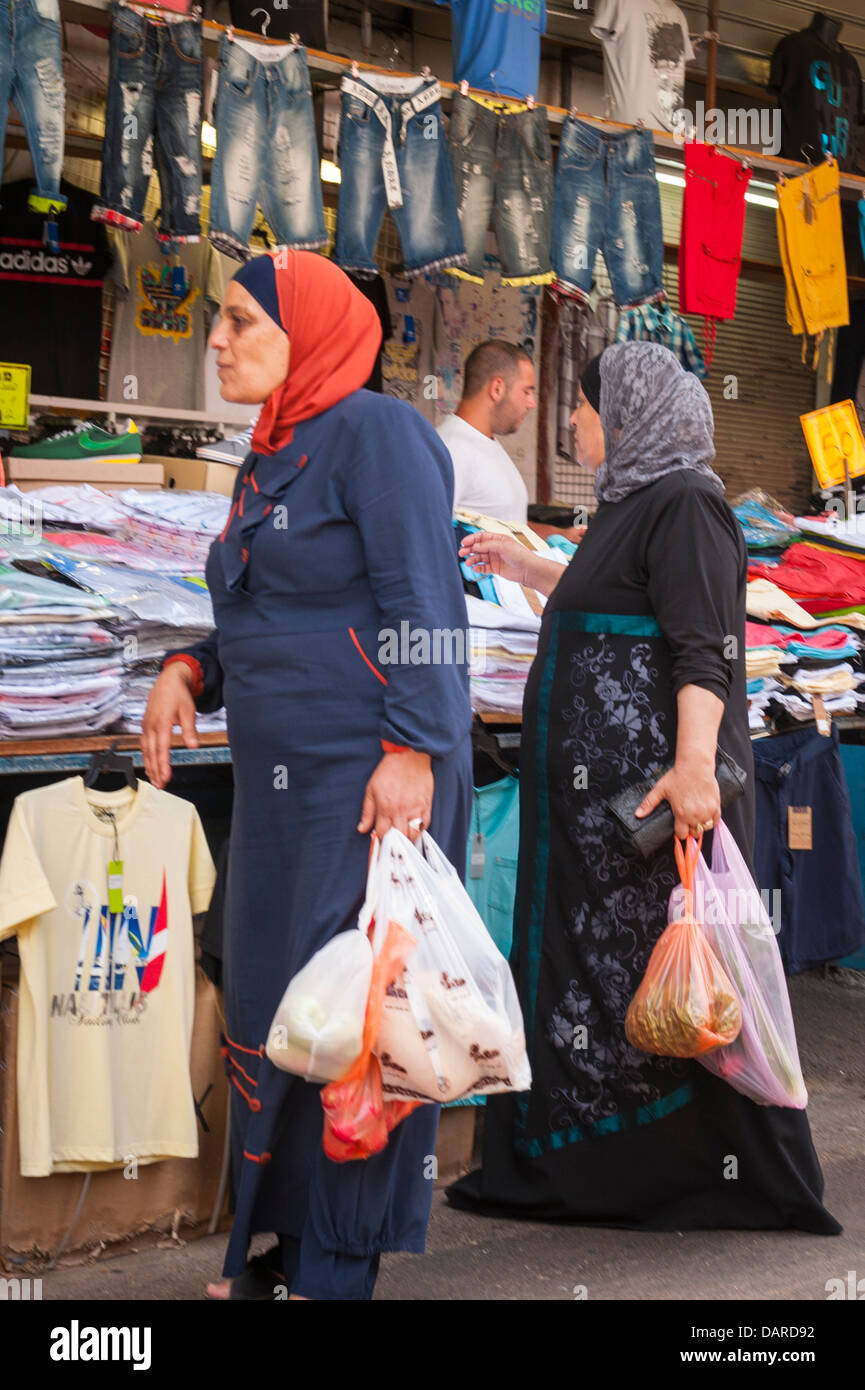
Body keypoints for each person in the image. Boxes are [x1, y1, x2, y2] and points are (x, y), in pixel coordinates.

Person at [448, 341, 841, 1235]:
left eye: (583, 409)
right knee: (600, 988)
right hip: (594, 825)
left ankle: (697, 1179)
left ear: (624, 415)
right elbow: (613, 602)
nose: (574, 424)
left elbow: (705, 645)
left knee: (666, 993)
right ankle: (580, 1173)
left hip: (650, 812)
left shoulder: (690, 504)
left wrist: (695, 767)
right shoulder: (630, 502)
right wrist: (528, 569)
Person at [141, 250, 473, 1299]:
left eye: (240, 320)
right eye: (218, 320)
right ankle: (276, 1251)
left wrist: (413, 750)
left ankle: (332, 1269)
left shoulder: (377, 436)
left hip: (369, 784)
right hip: (288, 793)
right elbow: (267, 608)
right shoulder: (271, 450)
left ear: (311, 332)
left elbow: (425, 602)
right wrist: (190, 665)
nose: (218, 339)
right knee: (285, 1012)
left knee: (356, 1025)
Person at [437, 340, 535, 522]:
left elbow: (506, 524)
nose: (532, 403)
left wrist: (555, 532)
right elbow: (434, 532)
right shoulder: (452, 449)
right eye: (527, 392)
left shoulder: (485, 442)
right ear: (497, 389)